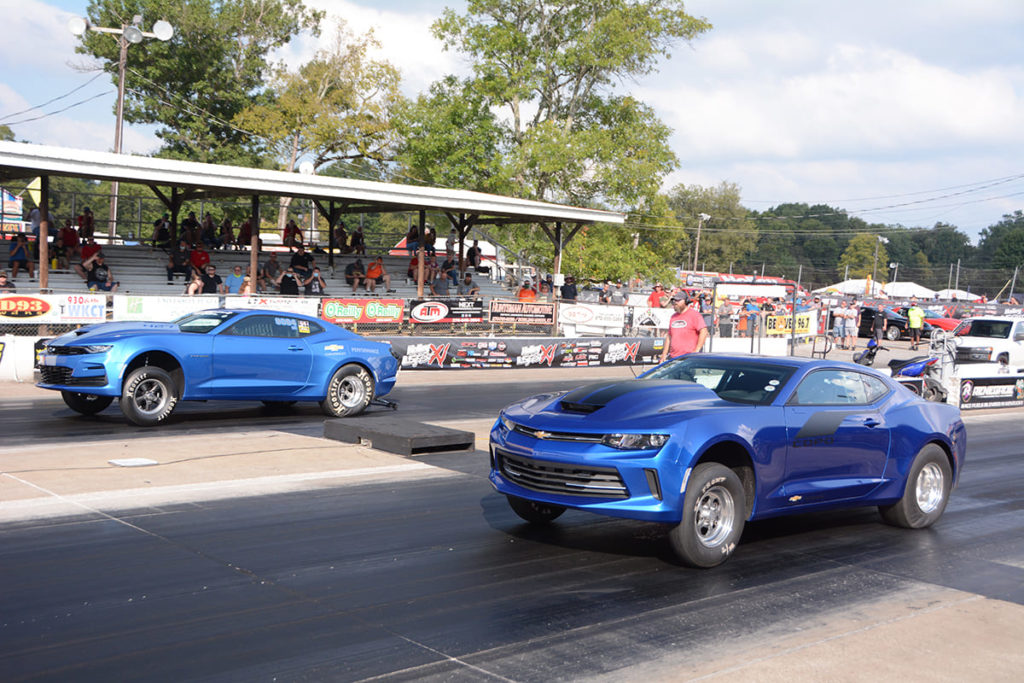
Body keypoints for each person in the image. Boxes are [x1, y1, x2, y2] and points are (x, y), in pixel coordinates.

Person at [660, 291, 708, 362]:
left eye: (678, 300)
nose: (675, 302)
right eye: (674, 300)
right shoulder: (673, 317)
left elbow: (704, 332)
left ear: (686, 301)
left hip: (689, 358)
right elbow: (669, 336)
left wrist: (697, 350)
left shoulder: (694, 315)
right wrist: (664, 354)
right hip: (673, 357)